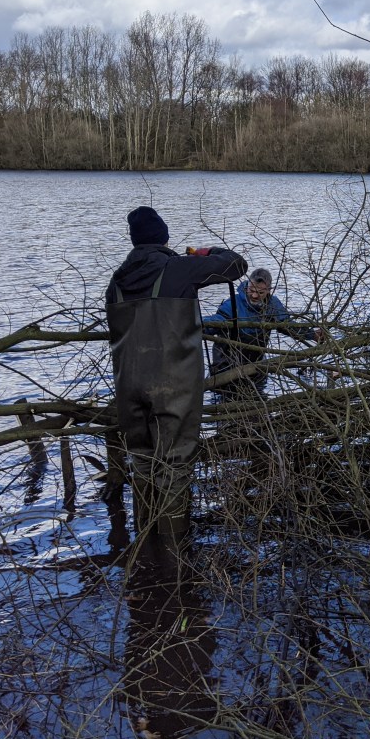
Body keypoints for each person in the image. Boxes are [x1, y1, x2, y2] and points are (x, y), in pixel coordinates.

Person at [105, 206, 247, 548]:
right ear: (163, 238)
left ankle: (145, 546)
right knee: (174, 465)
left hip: (128, 388)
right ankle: (173, 554)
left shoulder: (116, 282)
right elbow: (236, 264)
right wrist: (203, 252)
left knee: (142, 462)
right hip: (173, 387)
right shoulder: (178, 269)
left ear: (134, 241)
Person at [204, 267, 322, 399]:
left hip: (255, 366)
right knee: (227, 399)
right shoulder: (232, 303)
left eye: (260, 292)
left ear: (268, 290)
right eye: (252, 290)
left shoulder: (273, 306)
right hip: (226, 367)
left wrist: (312, 335)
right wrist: (198, 325)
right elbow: (215, 322)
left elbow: (289, 326)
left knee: (258, 404)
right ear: (247, 286)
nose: (254, 296)